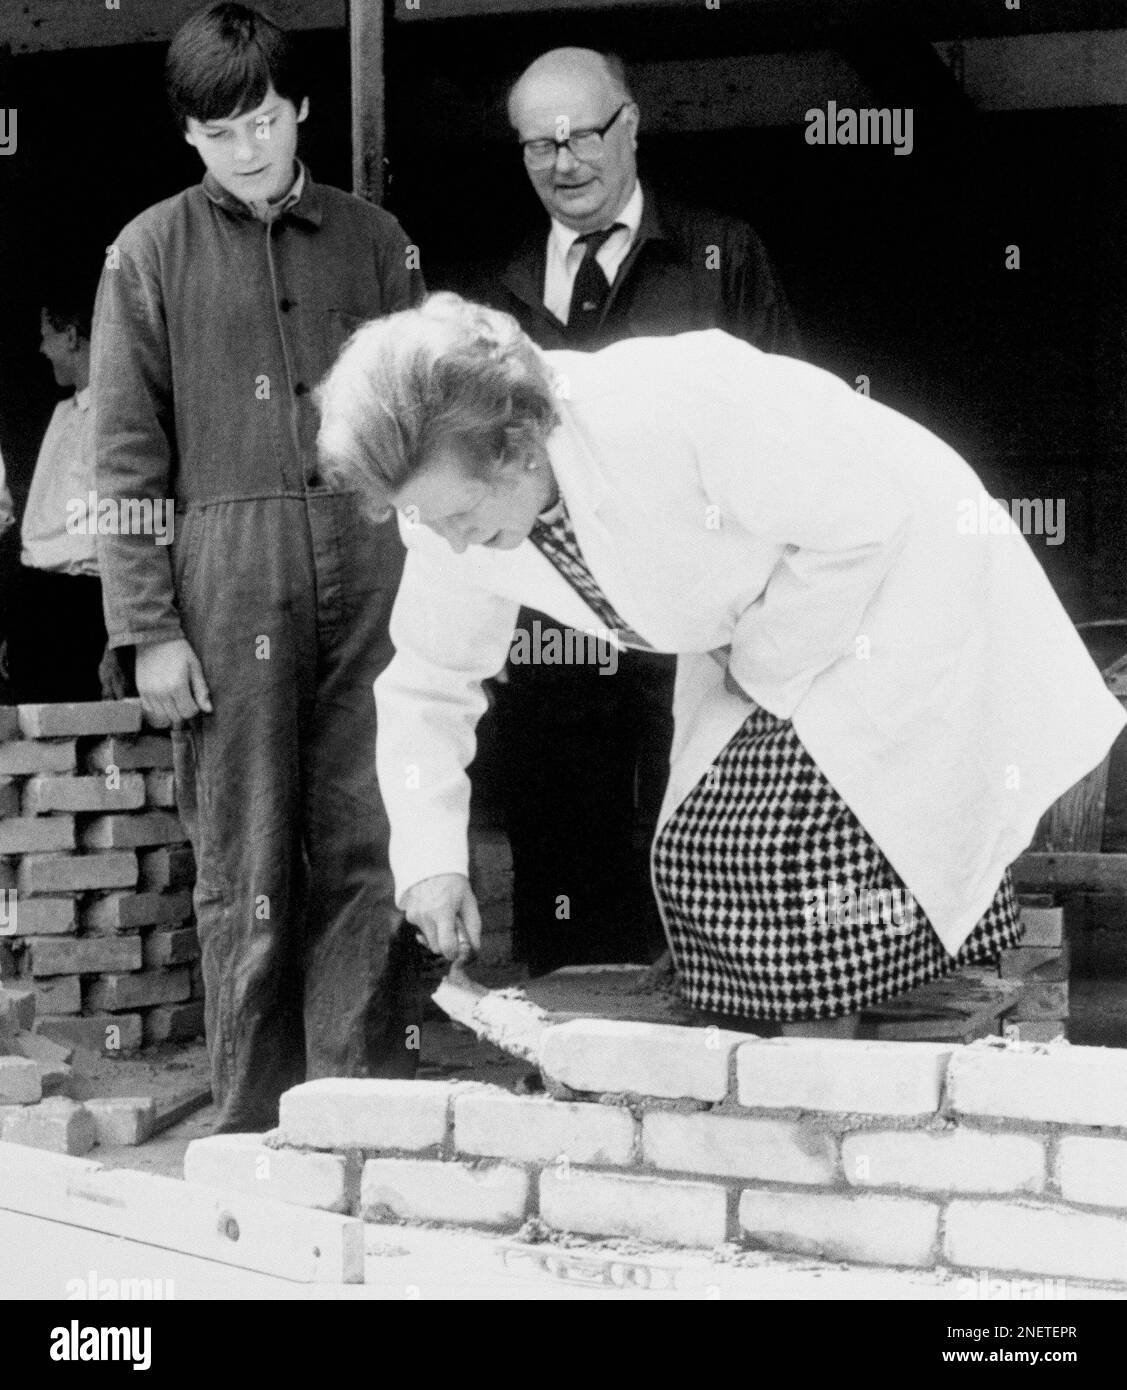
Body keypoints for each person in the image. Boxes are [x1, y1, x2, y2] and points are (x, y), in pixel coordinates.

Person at [316, 293, 1125, 1034]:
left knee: (778, 854)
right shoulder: (444, 513)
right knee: (695, 856)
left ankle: (846, 1063)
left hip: (903, 576)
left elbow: (863, 524)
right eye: (427, 524)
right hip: (770, 607)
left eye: (460, 514)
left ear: (520, 447)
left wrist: (756, 669)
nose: (450, 544)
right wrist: (428, 862)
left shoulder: (674, 404)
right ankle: (787, 1063)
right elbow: (428, 681)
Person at [92, 2, 424, 1131]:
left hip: (369, 559)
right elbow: (127, 453)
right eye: (221, 131)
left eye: (267, 121)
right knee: (244, 850)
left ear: (303, 109)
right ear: (189, 135)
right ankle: (249, 1115)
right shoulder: (147, 253)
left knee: (361, 838)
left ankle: (350, 1102)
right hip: (223, 577)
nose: (249, 149)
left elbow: (417, 427)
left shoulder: (376, 244)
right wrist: (146, 626)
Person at [477, 47, 800, 973]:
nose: (563, 162)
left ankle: (707, 1048)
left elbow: (783, 433)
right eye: (538, 145)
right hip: (556, 626)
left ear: (631, 124)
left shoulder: (718, 255)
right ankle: (571, 1068)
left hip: (699, 619)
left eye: (581, 136)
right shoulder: (499, 294)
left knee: (699, 834)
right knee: (561, 845)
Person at [2, 290, 125, 703]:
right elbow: (42, 529)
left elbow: (149, 527)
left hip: (84, 609)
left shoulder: (124, 415)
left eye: (46, 335)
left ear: (72, 336)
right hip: (38, 602)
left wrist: (120, 640)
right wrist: (19, 628)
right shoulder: (62, 415)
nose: (40, 347)